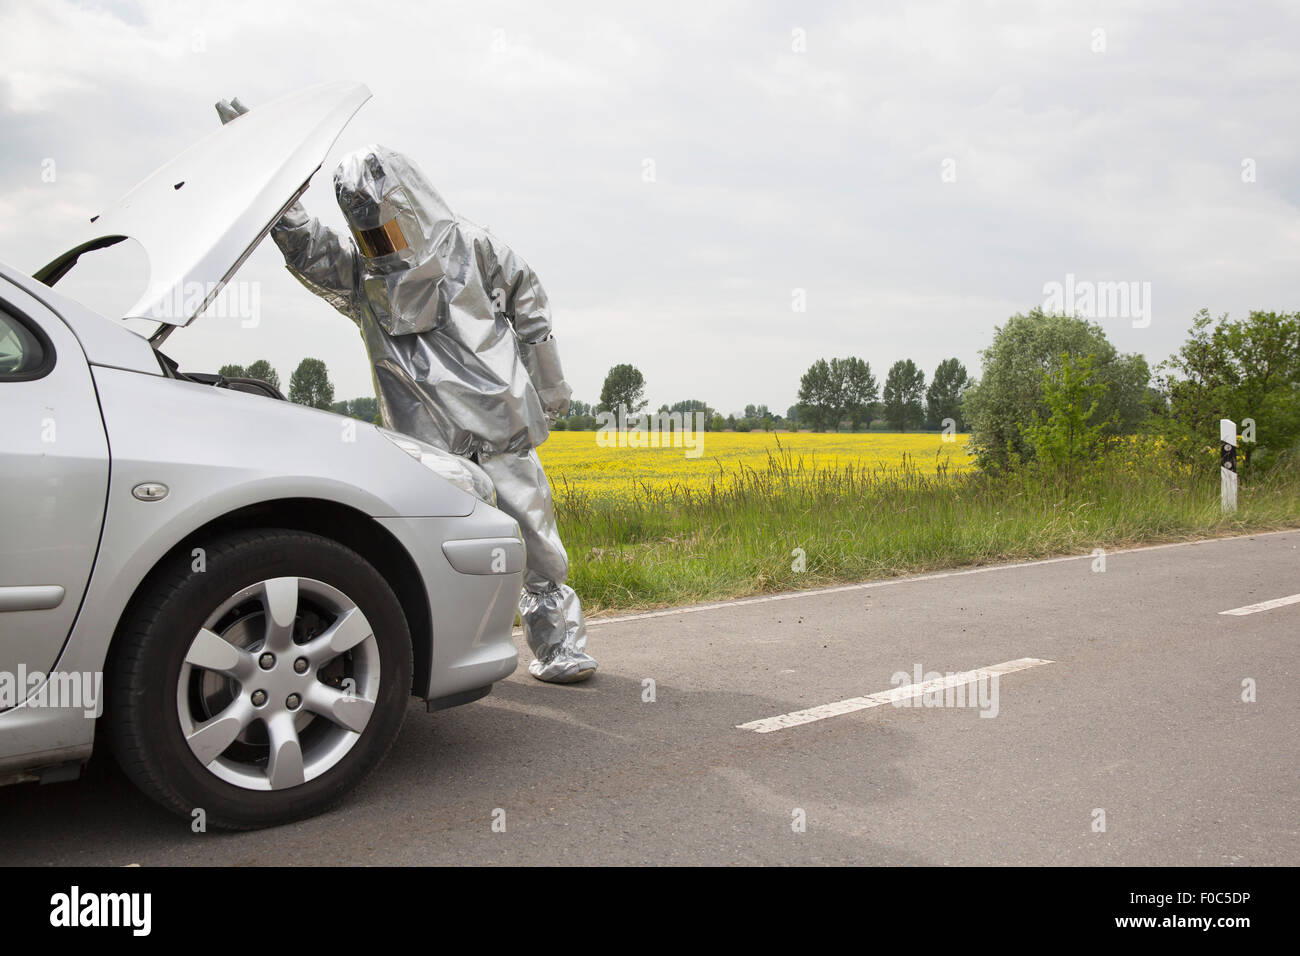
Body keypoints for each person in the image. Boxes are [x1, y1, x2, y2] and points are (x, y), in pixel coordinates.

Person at [216, 97, 596, 683]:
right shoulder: (365, 274)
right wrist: (268, 177)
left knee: (533, 541)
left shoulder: (474, 248)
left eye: (386, 220)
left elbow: (532, 312)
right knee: (434, 553)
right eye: (366, 227)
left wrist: (551, 386)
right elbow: (306, 243)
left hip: (498, 427)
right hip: (426, 445)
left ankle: (558, 645)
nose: (381, 237)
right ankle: (443, 660)